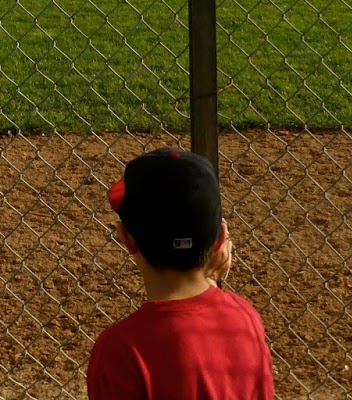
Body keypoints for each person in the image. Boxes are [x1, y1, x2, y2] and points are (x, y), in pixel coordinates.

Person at [89, 148, 275, 400]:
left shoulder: (122, 349)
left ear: (127, 238)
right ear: (220, 239)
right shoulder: (245, 319)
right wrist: (212, 282)